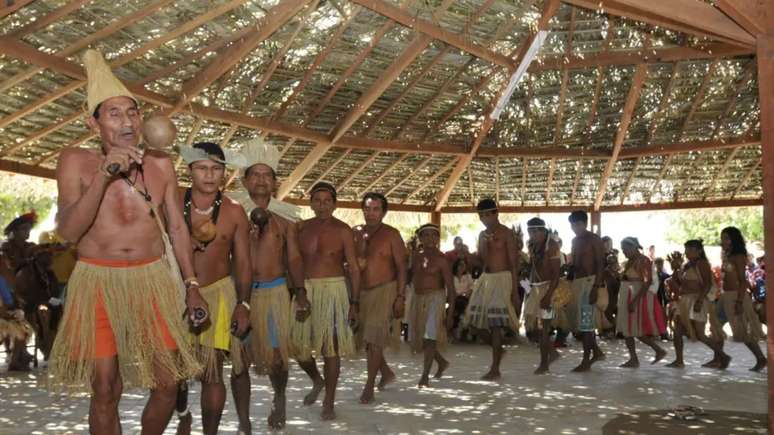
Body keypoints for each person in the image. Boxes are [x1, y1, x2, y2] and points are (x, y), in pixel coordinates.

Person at [47, 49, 205, 434]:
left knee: (167, 384)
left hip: (151, 280)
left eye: (132, 112)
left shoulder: (161, 164)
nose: (127, 121)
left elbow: (177, 228)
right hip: (96, 282)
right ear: (93, 122)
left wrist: (191, 285)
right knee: (104, 389)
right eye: (114, 113)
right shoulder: (75, 161)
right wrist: (104, 175)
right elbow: (68, 231)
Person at [172, 142, 251, 435]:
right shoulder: (172, 201)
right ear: (190, 170)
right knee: (172, 373)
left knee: (212, 371)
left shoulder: (234, 212)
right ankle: (183, 413)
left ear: (224, 173)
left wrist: (243, 304)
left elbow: (244, 263)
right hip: (174, 292)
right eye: (202, 168)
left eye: (216, 169)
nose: (209, 175)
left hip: (218, 293)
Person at [229, 138, 305, 432]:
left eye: (266, 175)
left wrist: (301, 292)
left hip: (274, 291)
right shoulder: (231, 212)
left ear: (274, 182)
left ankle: (279, 396)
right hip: (240, 295)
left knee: (277, 360)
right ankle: (244, 420)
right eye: (255, 174)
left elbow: (294, 257)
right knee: (239, 362)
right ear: (244, 180)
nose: (261, 180)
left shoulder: (286, 217)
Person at [293, 181, 359, 420]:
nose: (322, 206)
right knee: (298, 347)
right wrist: (298, 291)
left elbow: (353, 267)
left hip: (333, 290)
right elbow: (293, 261)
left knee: (330, 347)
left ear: (334, 204)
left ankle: (329, 402)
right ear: (311, 204)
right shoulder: (300, 229)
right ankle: (317, 380)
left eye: (327, 201)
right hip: (306, 290)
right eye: (317, 201)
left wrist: (354, 303)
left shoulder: (343, 230)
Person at [354, 192, 406, 404]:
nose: (371, 213)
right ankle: (386, 372)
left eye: (376, 209)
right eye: (367, 209)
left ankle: (369, 386)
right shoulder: (355, 233)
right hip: (362, 293)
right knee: (368, 340)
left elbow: (402, 267)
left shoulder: (392, 235)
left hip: (385, 290)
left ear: (384, 212)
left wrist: (400, 296)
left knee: (375, 339)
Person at [464, 199, 520, 380]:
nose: (484, 219)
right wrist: (467, 256)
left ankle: (495, 368)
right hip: (485, 280)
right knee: (472, 323)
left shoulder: (507, 234)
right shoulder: (481, 235)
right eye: (481, 216)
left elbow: (513, 264)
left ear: (496, 213)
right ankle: (499, 350)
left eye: (487, 215)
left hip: (502, 279)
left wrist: (515, 292)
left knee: (496, 325)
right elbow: (481, 261)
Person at [665, 240, 730, 369]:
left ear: (699, 251)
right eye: (686, 249)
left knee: (700, 334)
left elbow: (707, 284)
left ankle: (723, 356)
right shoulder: (687, 265)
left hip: (697, 299)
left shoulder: (702, 263)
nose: (686, 252)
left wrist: (699, 301)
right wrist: (676, 268)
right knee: (677, 330)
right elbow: (679, 284)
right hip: (685, 301)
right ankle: (679, 360)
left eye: (690, 249)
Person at [408, 223, 454, 387]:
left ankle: (425, 376)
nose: (430, 239)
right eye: (426, 235)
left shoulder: (442, 260)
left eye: (433, 235)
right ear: (420, 238)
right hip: (418, 299)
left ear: (438, 239)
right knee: (422, 338)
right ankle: (441, 362)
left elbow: (451, 288)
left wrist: (450, 313)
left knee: (430, 337)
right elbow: (408, 277)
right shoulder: (415, 256)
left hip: (435, 299)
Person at [717, 227, 766, 371]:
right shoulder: (727, 255)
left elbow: (743, 281)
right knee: (716, 325)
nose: (723, 241)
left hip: (736, 296)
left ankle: (761, 359)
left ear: (734, 240)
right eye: (722, 238)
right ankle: (720, 358)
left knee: (742, 331)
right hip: (726, 296)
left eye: (726, 238)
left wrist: (738, 302)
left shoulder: (738, 256)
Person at [617, 237, 667, 368]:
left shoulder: (643, 260)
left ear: (633, 247)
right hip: (627, 294)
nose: (624, 252)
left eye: (625, 249)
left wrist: (635, 301)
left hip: (635, 295)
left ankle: (658, 350)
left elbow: (647, 282)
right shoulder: (630, 261)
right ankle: (634, 358)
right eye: (622, 250)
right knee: (627, 329)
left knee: (635, 329)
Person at [566, 211, 606, 372]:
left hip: (591, 282)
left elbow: (600, 264)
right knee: (582, 323)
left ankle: (586, 360)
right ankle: (596, 352)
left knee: (587, 323)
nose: (575, 228)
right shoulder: (574, 241)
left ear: (585, 223)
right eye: (572, 225)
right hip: (578, 283)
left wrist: (596, 287)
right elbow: (575, 265)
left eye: (577, 224)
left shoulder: (594, 239)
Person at [524, 218, 561, 374]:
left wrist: (548, 296)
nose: (531, 235)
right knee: (535, 329)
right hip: (536, 288)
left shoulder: (552, 246)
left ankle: (544, 364)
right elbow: (533, 267)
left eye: (534, 231)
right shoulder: (532, 245)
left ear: (542, 231)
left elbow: (556, 275)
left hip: (549, 289)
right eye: (529, 232)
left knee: (543, 329)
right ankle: (552, 353)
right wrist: (527, 285)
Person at [452, 258, 474, 340]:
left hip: (466, 298)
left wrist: (469, 293)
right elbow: (450, 289)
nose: (462, 267)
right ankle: (459, 328)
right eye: (460, 265)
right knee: (459, 303)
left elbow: (472, 287)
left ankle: (462, 328)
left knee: (463, 304)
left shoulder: (468, 277)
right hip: (455, 298)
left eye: (464, 265)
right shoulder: (452, 277)